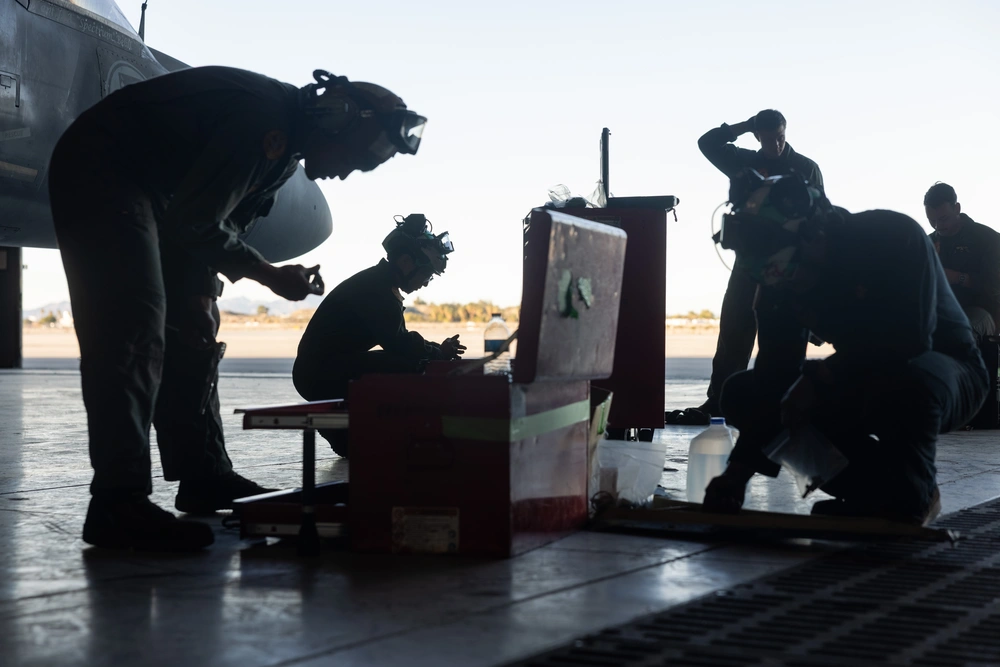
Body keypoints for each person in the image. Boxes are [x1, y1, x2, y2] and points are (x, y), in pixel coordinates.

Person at [49, 66, 427, 551]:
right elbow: (197, 221)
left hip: (163, 197)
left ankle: (205, 476)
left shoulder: (284, 158)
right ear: (334, 120)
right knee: (134, 332)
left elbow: (213, 229)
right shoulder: (262, 122)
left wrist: (202, 296)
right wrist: (270, 274)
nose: (346, 172)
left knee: (196, 330)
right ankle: (116, 504)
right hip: (106, 169)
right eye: (353, 158)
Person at [701, 172, 987, 525]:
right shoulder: (778, 278)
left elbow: (910, 339)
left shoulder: (892, 236)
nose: (794, 284)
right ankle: (870, 490)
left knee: (905, 379)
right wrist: (736, 476)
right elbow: (774, 376)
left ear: (815, 231)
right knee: (744, 394)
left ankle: (914, 494)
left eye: (796, 271)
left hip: (948, 370)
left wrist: (821, 375)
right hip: (863, 373)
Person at [667, 110, 824, 425]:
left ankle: (782, 402)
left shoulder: (805, 168)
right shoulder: (745, 162)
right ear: (757, 136)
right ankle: (721, 400)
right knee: (734, 330)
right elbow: (708, 142)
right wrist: (744, 126)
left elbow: (821, 214)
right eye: (767, 138)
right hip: (749, 261)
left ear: (786, 132)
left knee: (782, 337)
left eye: (779, 137)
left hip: (787, 265)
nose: (775, 145)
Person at [293, 214, 465, 457]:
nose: (426, 283)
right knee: (408, 365)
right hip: (321, 375)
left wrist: (437, 351)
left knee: (357, 449)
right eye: (427, 275)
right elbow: (400, 343)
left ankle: (346, 430)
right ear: (406, 262)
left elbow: (400, 337)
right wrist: (438, 353)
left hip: (322, 372)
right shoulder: (378, 291)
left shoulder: (378, 283)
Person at [924, 182, 1000, 338]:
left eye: (943, 219)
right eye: (932, 221)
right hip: (938, 311)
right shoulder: (926, 244)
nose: (938, 226)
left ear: (957, 208)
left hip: (983, 311)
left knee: (959, 333)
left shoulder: (988, 239)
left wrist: (957, 277)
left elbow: (994, 287)